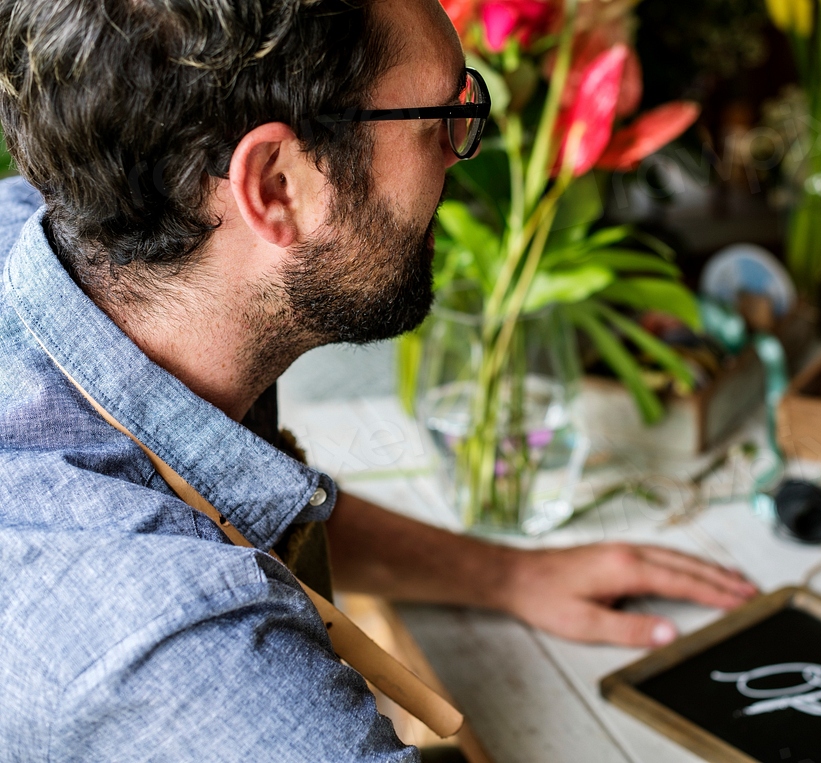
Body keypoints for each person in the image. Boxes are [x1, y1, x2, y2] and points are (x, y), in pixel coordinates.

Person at [0, 0, 758, 759]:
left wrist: (503, 574)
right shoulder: (201, 663)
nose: (460, 154)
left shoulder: (63, 242)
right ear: (276, 187)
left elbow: (233, 494)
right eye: (440, 117)